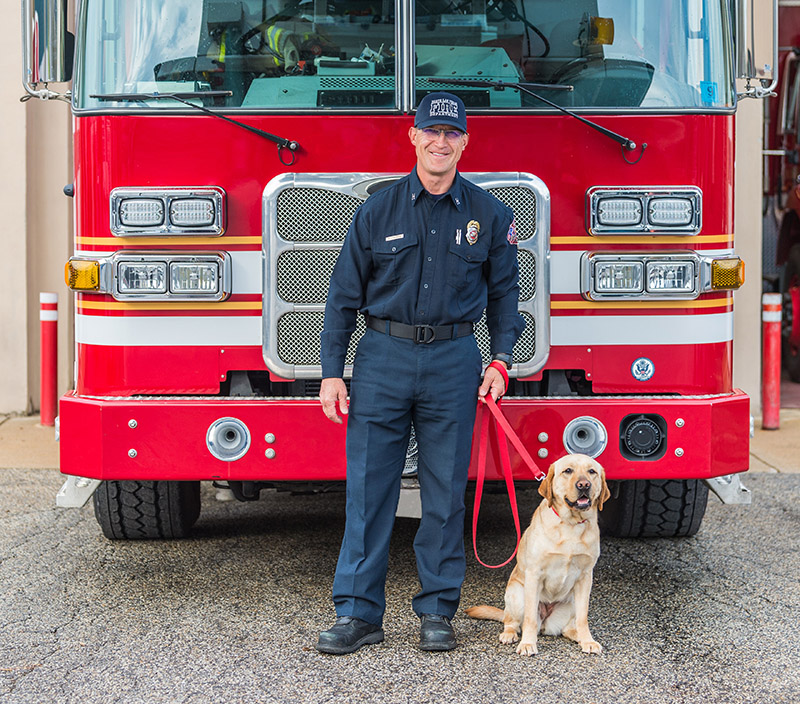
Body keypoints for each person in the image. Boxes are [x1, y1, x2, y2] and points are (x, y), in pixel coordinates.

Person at [316, 91, 524, 654]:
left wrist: (500, 360)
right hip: (382, 357)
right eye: (431, 131)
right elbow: (341, 298)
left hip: (455, 362)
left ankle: (438, 611)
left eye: (451, 134)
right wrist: (332, 372)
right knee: (368, 489)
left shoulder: (487, 212)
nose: (440, 141)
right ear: (413, 137)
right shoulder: (376, 210)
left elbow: (506, 296)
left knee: (444, 494)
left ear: (465, 142)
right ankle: (359, 615)